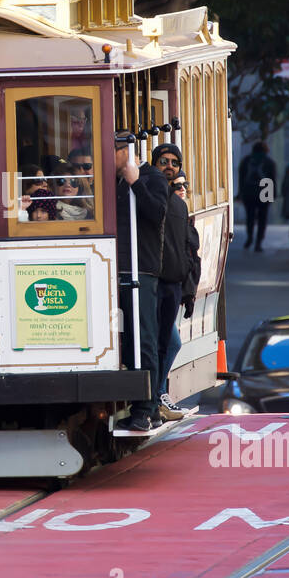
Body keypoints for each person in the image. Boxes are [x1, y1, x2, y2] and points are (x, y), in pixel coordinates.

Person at [114, 130, 168, 433]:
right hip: (118, 268)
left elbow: (157, 213)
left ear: (124, 151)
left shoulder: (152, 178)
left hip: (142, 270)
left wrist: (136, 182)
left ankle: (148, 407)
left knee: (144, 337)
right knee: (127, 339)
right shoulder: (116, 183)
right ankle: (136, 404)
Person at [156, 172, 200, 420]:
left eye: (186, 185)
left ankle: (159, 394)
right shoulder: (170, 215)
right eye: (177, 186)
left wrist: (189, 293)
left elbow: (190, 259)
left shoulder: (184, 217)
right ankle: (158, 395)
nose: (182, 189)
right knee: (170, 343)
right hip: (160, 290)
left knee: (168, 343)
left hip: (174, 291)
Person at [238, 140, 277, 251]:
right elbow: (272, 179)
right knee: (262, 218)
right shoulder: (269, 162)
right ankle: (258, 242)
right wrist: (273, 194)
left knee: (250, 217)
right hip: (265, 193)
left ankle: (250, 237)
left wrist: (240, 193)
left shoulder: (246, 161)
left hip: (249, 193)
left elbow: (241, 178)